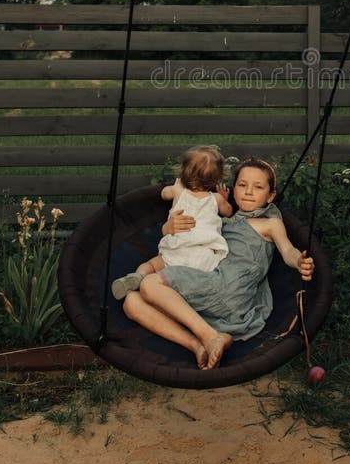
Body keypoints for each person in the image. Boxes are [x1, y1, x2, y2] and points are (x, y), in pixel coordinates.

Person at [122, 157, 315, 369]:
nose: (249, 191)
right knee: (131, 303)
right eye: (242, 185)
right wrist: (168, 227)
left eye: (258, 187)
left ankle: (210, 335)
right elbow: (189, 238)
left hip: (229, 288)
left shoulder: (269, 223)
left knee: (149, 284)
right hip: (210, 286)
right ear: (233, 190)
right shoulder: (219, 221)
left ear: (271, 196)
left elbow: (287, 249)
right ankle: (198, 344)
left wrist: (299, 261)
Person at [111, 145, 233, 300]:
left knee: (152, 266)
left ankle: (138, 276)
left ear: (183, 171)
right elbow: (228, 212)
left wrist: (175, 187)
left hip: (178, 251)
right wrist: (225, 199)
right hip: (205, 257)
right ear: (216, 179)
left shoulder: (178, 191)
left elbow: (163, 194)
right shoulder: (216, 199)